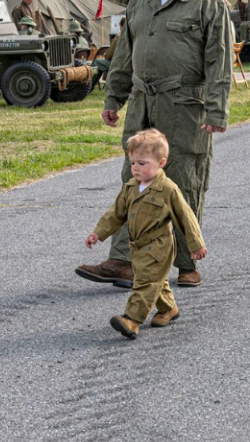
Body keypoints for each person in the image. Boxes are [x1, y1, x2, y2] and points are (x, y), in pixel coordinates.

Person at [75, 0, 232, 289]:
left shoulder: (206, 1)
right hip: (142, 105)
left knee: (184, 181)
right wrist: (114, 97)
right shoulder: (141, 0)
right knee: (134, 181)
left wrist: (216, 110)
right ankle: (123, 262)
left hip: (185, 106)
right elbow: (124, 53)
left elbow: (219, 61)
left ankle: (186, 264)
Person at [85, 129, 206, 340]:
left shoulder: (167, 189)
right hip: (138, 246)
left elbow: (186, 217)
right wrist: (98, 233)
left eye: (142, 163)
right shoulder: (131, 187)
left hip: (159, 245)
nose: (136, 168)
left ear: (161, 163)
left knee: (146, 281)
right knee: (156, 280)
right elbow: (115, 213)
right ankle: (169, 308)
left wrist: (196, 244)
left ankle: (132, 319)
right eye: (133, 162)